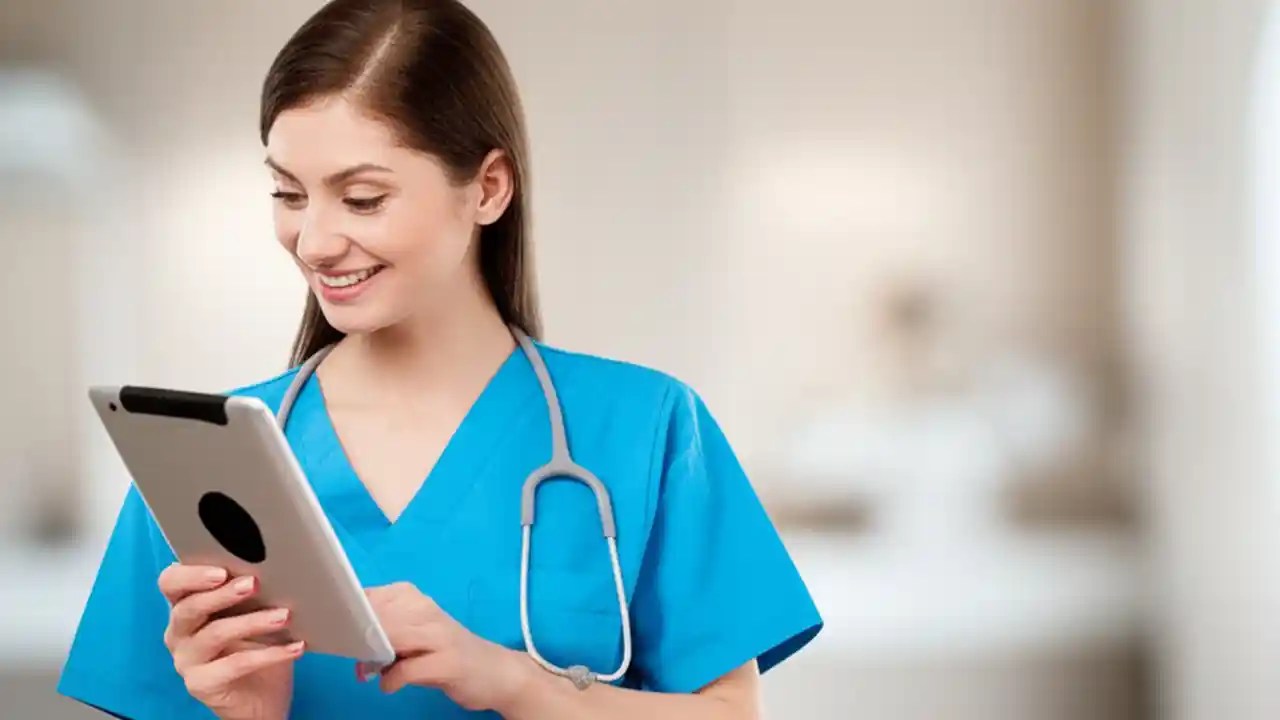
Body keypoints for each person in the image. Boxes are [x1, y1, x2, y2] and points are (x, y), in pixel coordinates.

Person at [56, 0, 823, 717]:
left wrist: (517, 684)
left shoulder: (646, 429)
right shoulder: (206, 467)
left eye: (361, 199)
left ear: (488, 188)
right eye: (289, 194)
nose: (315, 241)